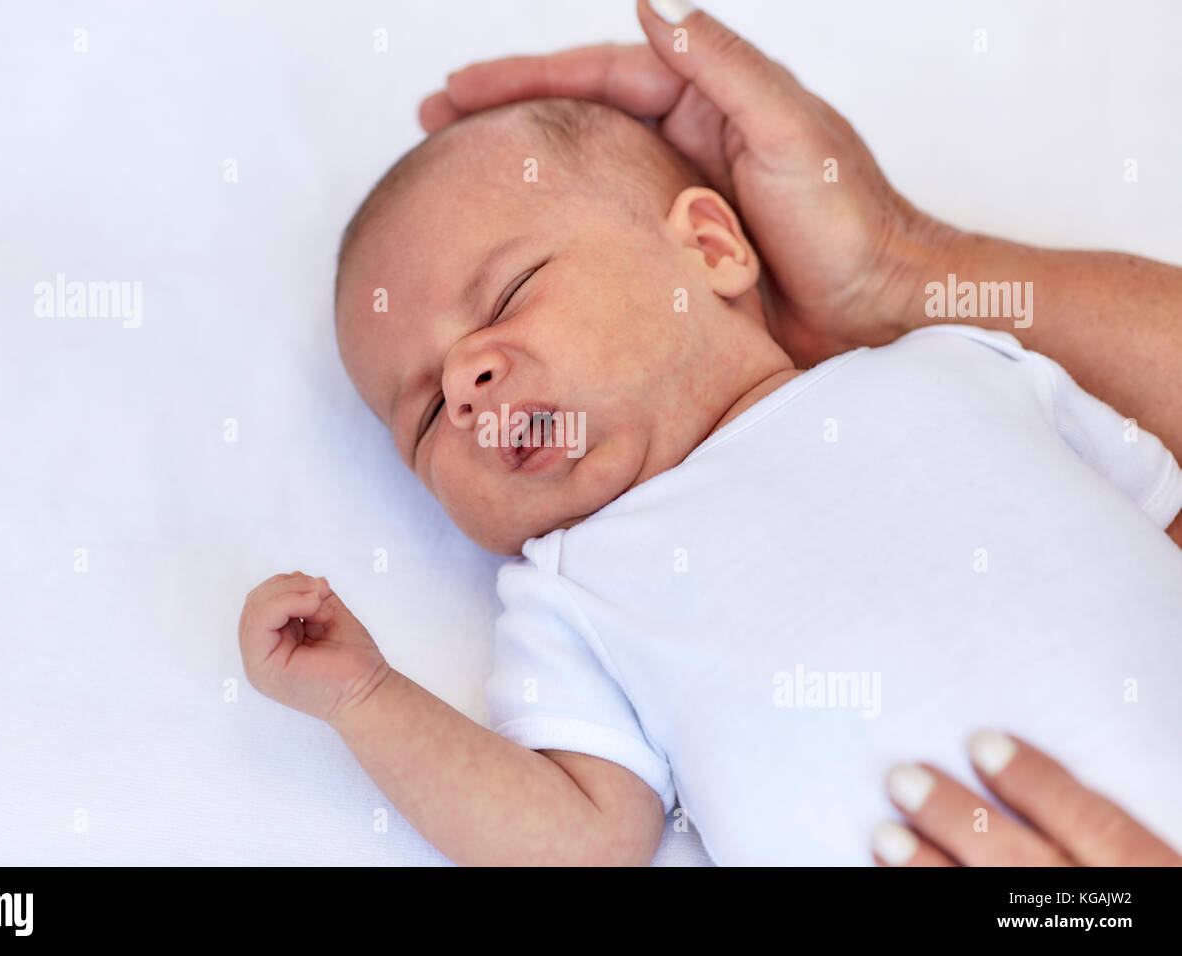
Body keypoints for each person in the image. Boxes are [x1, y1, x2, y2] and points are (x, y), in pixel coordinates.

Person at [406, 0, 1182, 866]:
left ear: (708, 247)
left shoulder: (956, 356)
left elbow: (1162, 519)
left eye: (510, 293)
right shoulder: (569, 594)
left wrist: (900, 263)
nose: (462, 387)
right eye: (426, 414)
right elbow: (575, 844)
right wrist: (362, 696)